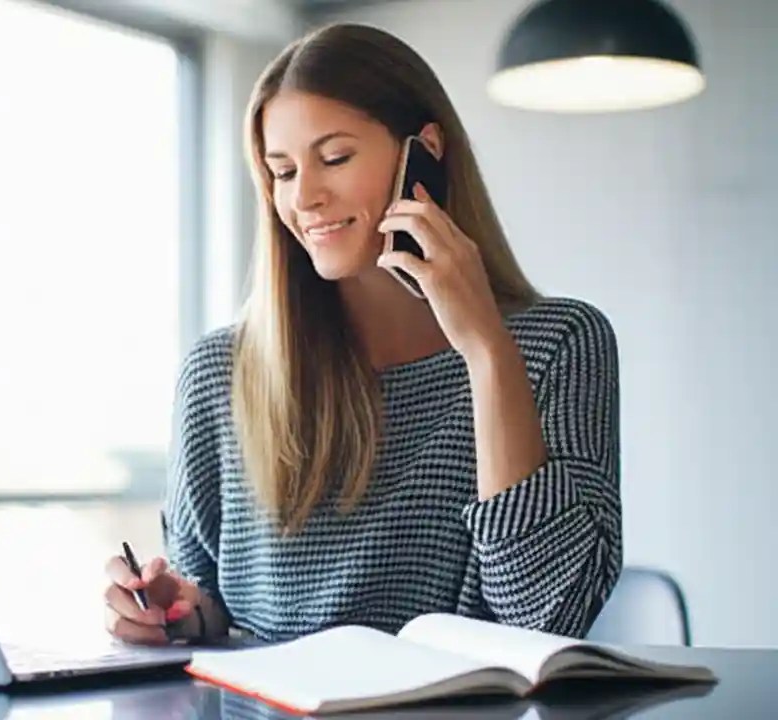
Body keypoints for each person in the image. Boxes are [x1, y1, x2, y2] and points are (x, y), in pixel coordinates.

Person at [102, 22, 621, 646]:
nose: (305, 197)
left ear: (425, 153)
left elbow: (547, 617)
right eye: (282, 171)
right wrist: (175, 611)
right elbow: (209, 602)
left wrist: (487, 351)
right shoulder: (220, 372)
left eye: (335, 158)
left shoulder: (560, 343)